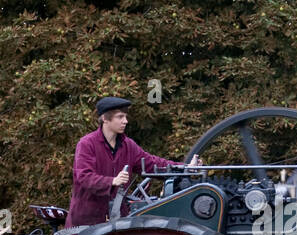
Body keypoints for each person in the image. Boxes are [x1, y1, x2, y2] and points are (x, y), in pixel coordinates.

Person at [67, 96, 199, 227]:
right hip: (86, 224)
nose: (125, 121)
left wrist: (186, 168)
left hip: (117, 222)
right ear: (105, 119)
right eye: (120, 117)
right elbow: (84, 177)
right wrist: (112, 181)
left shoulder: (128, 145)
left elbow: (153, 164)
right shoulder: (87, 144)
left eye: (125, 116)